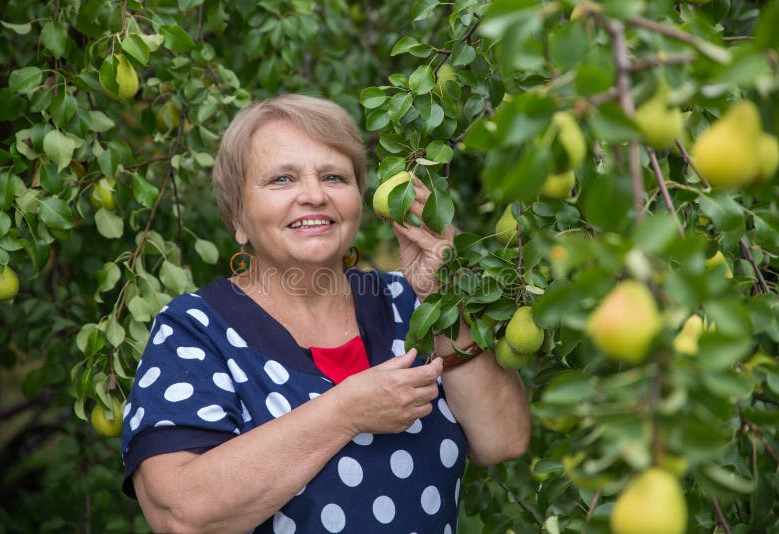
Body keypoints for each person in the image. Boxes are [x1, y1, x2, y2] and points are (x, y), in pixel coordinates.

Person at [120, 93, 531, 533]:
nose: (314, 195)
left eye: (334, 177)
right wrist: (345, 412)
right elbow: (179, 515)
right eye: (282, 179)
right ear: (238, 216)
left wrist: (443, 298)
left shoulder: (411, 305)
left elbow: (503, 439)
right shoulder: (195, 330)